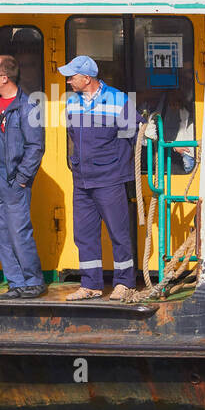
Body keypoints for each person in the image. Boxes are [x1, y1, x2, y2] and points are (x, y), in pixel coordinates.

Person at [59, 55, 138, 301]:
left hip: (110, 179)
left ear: (86, 78)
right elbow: (73, 135)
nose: (69, 81)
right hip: (82, 181)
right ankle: (91, 284)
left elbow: (135, 135)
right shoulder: (72, 103)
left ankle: (125, 284)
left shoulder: (118, 100)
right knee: (84, 234)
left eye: (72, 77)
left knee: (118, 232)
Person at [0, 55, 46, 299]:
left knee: (18, 231)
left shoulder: (28, 106)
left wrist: (22, 178)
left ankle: (33, 282)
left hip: (14, 180)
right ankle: (16, 283)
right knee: (1, 232)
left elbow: (36, 147)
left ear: (4, 78)